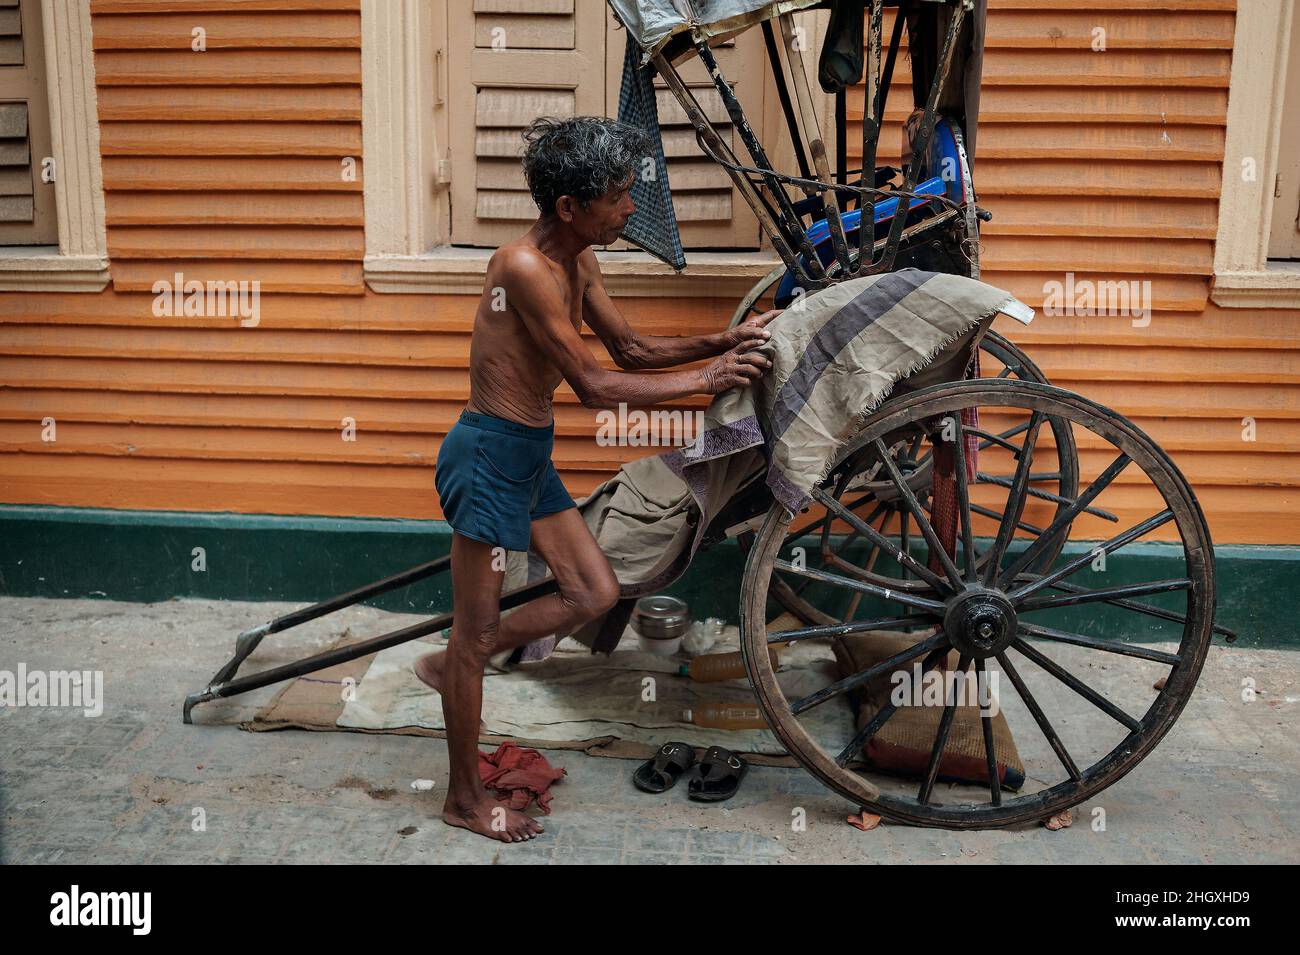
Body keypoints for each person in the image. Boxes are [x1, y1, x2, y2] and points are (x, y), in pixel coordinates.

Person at [416, 115, 780, 843]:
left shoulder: (579, 259)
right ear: (568, 208)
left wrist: (723, 339)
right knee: (478, 623)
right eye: (617, 197)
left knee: (595, 591)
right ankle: (461, 795)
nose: (629, 209)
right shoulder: (520, 266)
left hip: (526, 455)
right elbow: (591, 381)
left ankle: (459, 660)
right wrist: (707, 376)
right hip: (488, 457)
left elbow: (633, 347)